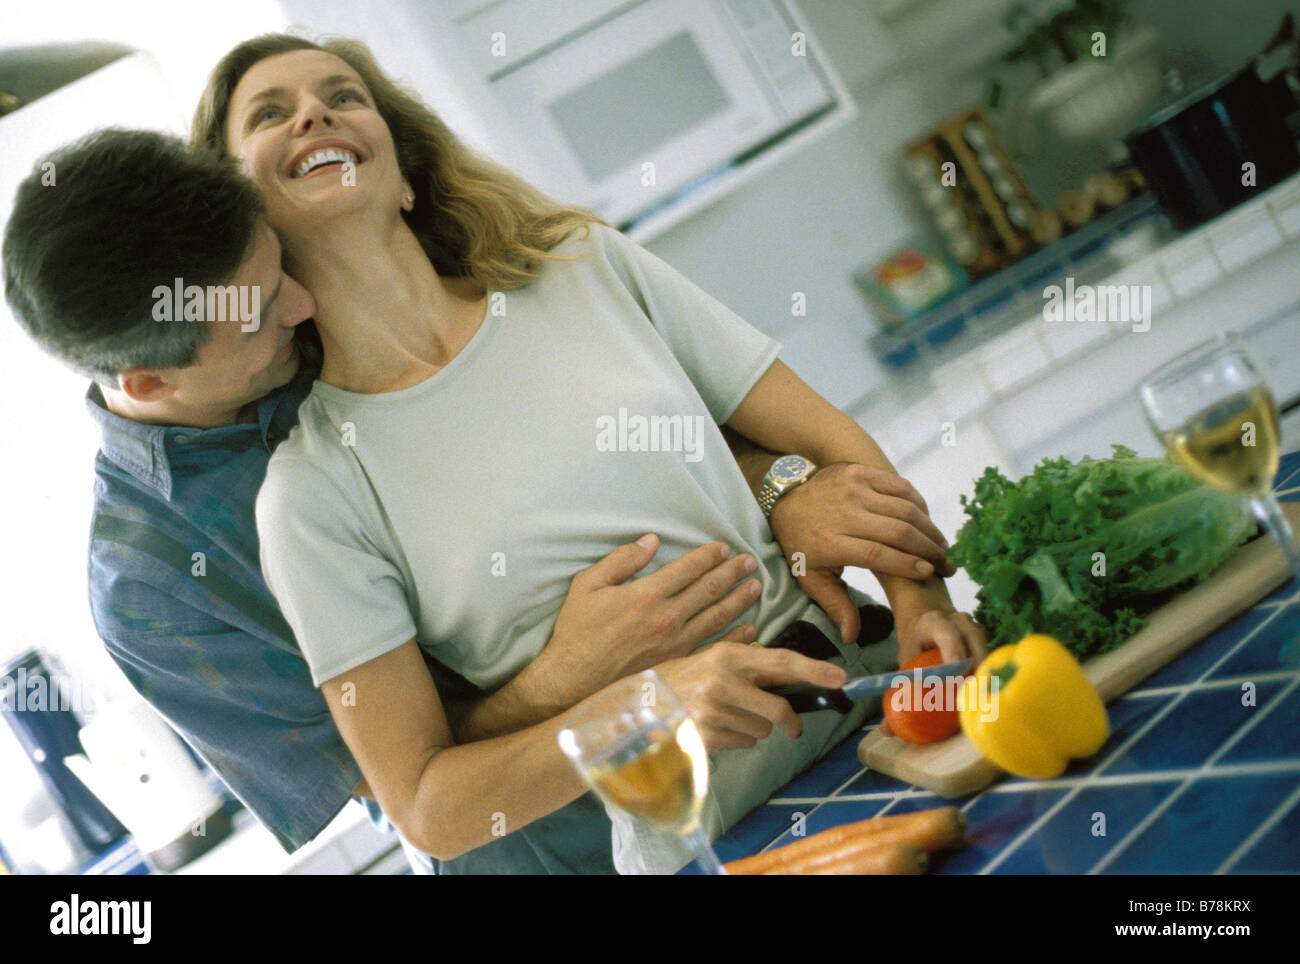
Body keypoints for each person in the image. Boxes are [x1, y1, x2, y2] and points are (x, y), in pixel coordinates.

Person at [2, 130, 959, 873]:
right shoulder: (157, 593)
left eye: (277, 268)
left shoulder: (295, 331)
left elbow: (614, 456)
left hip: (806, 748)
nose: (300, 305)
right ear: (149, 383)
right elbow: (410, 790)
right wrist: (578, 680)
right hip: (577, 856)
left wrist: (782, 486)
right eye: (260, 314)